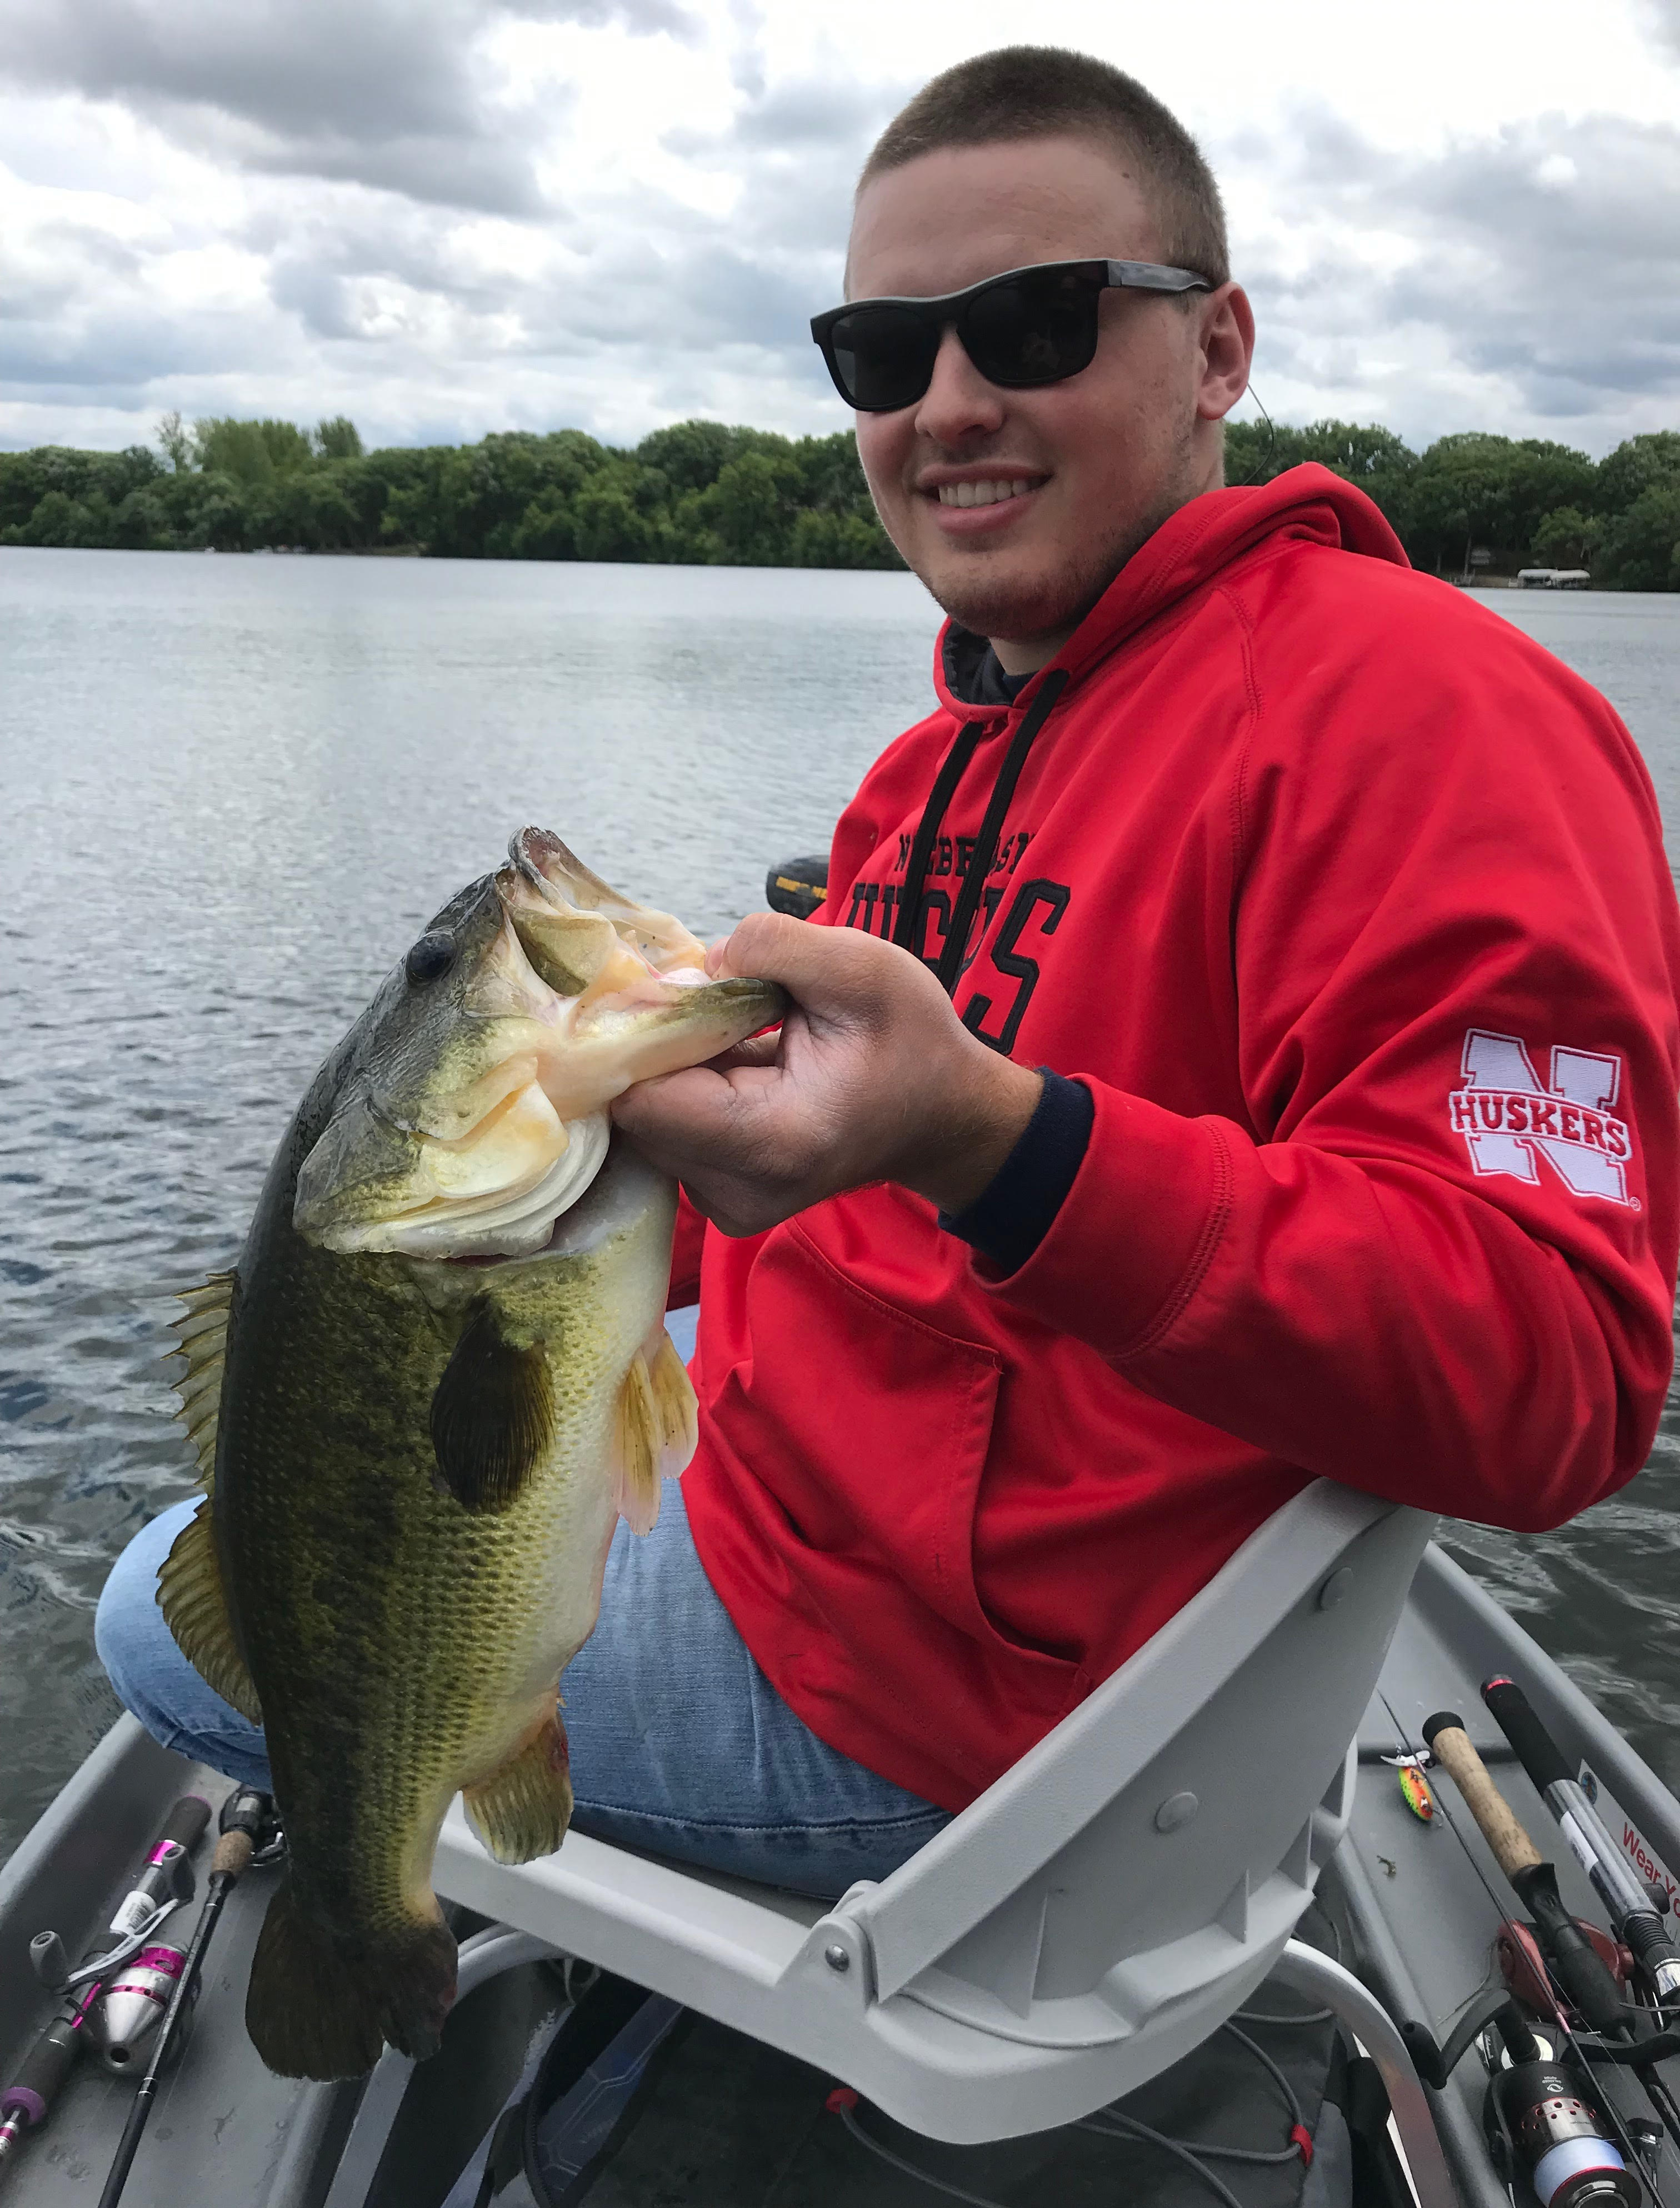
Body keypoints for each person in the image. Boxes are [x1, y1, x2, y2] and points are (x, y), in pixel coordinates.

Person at [98, 47, 1680, 1902]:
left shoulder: (1442, 725)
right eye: (882, 353)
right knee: (350, 1473)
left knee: (149, 1613)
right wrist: (590, 1202)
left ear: (1218, 350)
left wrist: (998, 1144)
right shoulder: (929, 774)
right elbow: (860, 1190)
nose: (948, 405)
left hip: (957, 1714)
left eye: (1032, 325)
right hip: (818, 1510)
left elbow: (1555, 1375)